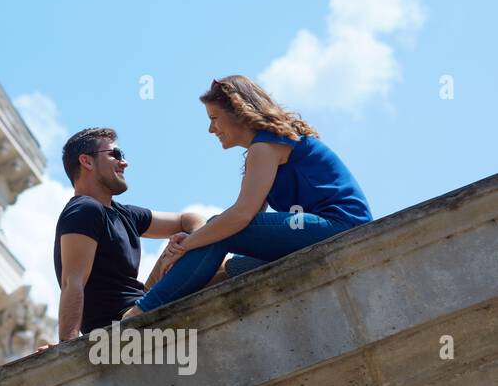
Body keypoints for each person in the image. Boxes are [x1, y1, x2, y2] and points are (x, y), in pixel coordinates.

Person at [123, 75, 372, 319]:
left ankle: (139, 312)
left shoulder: (264, 148)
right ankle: (158, 307)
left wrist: (189, 243)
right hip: (324, 227)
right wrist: (195, 239)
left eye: (214, 118)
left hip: (339, 225)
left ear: (237, 112)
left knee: (220, 230)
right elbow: (251, 218)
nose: (211, 129)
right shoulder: (267, 146)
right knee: (230, 265)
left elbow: (239, 219)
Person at [50, 127, 207, 341]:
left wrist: (190, 240)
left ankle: (245, 264)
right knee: (215, 243)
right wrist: (66, 346)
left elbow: (188, 219)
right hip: (123, 320)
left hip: (142, 301)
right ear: (86, 161)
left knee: (210, 237)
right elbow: (72, 281)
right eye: (115, 154)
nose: (124, 162)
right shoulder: (84, 210)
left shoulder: (124, 213)